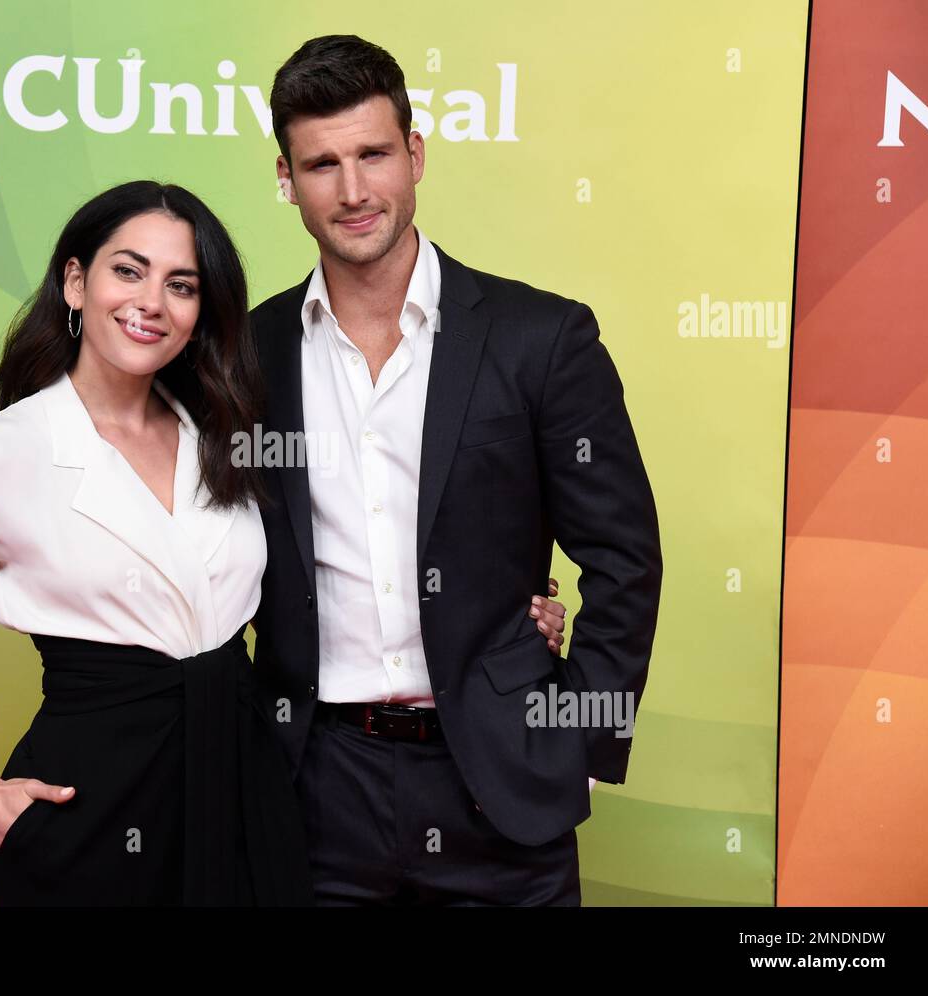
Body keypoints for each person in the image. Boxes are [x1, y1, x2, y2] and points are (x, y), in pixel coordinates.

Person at [0, 179, 571, 906]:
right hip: (90, 804)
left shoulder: (227, 432)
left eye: (182, 285)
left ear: (201, 312)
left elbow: (347, 546)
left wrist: (509, 611)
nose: (151, 303)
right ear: (75, 282)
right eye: (127, 271)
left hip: (247, 785)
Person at [248, 35, 664, 906]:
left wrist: (574, 748)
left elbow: (625, 557)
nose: (354, 190)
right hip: (316, 787)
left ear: (416, 154)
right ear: (286, 178)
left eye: (373, 154)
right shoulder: (248, 354)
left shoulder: (540, 339)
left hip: (502, 782)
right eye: (322, 164)